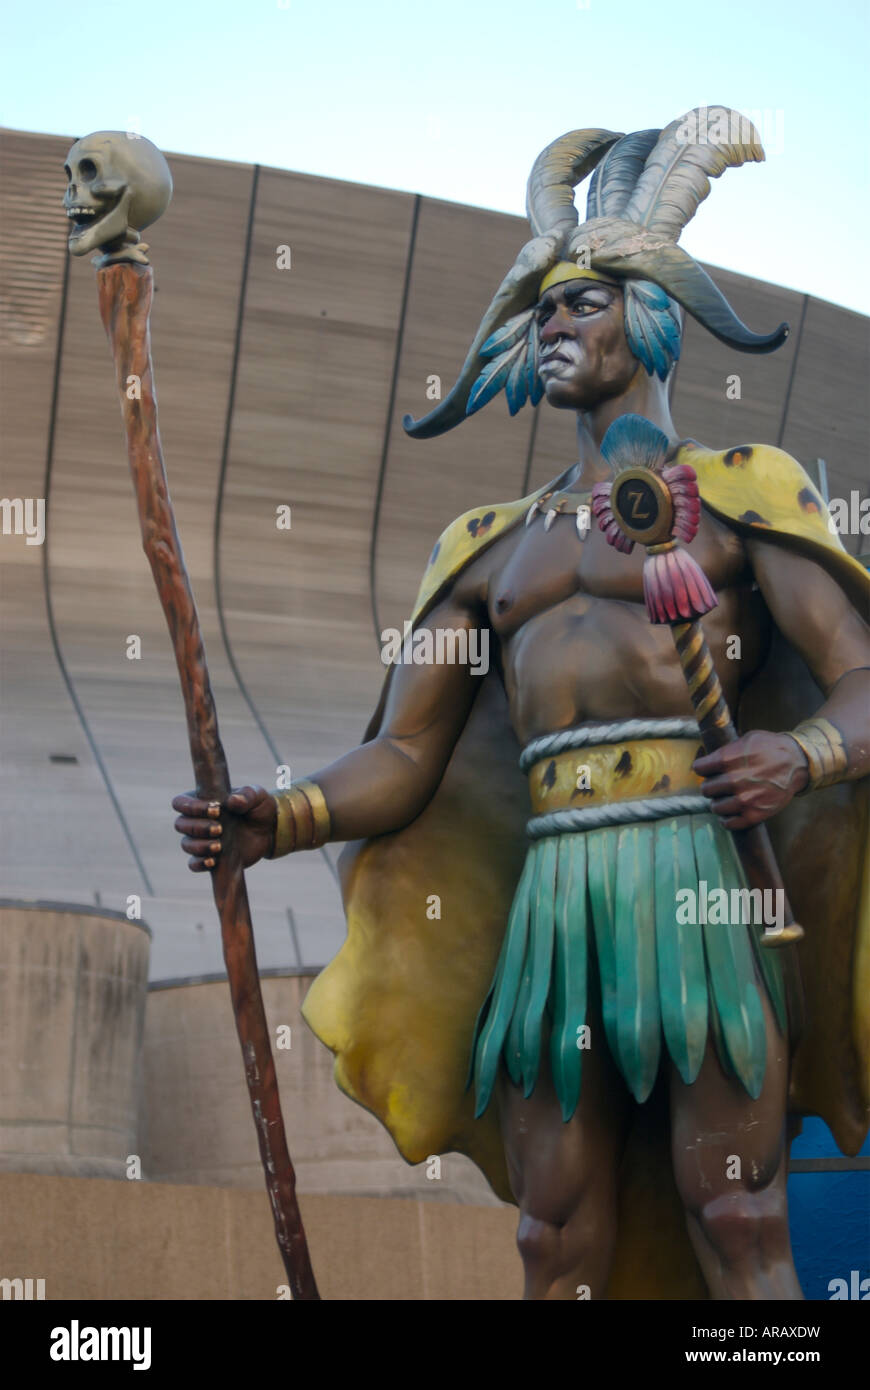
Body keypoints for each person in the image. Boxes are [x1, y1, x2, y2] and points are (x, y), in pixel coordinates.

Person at [173, 109, 870, 1300]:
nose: (551, 321)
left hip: (697, 880)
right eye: (539, 308)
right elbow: (404, 753)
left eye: (580, 302)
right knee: (554, 1238)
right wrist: (277, 818)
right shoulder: (487, 549)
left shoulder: (750, 489)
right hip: (553, 904)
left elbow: (862, 671)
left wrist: (801, 754)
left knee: (740, 1216)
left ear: (650, 317)